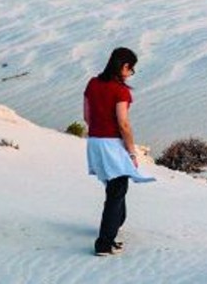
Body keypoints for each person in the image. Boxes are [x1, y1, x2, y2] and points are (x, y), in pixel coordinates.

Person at [83, 46, 154, 256]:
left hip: (94, 142)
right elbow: (123, 124)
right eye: (131, 69)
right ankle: (104, 243)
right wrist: (132, 152)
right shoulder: (120, 90)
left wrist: (97, 133)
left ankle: (115, 225)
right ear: (124, 66)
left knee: (115, 188)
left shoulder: (92, 83)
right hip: (111, 144)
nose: (131, 73)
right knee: (116, 191)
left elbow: (86, 116)